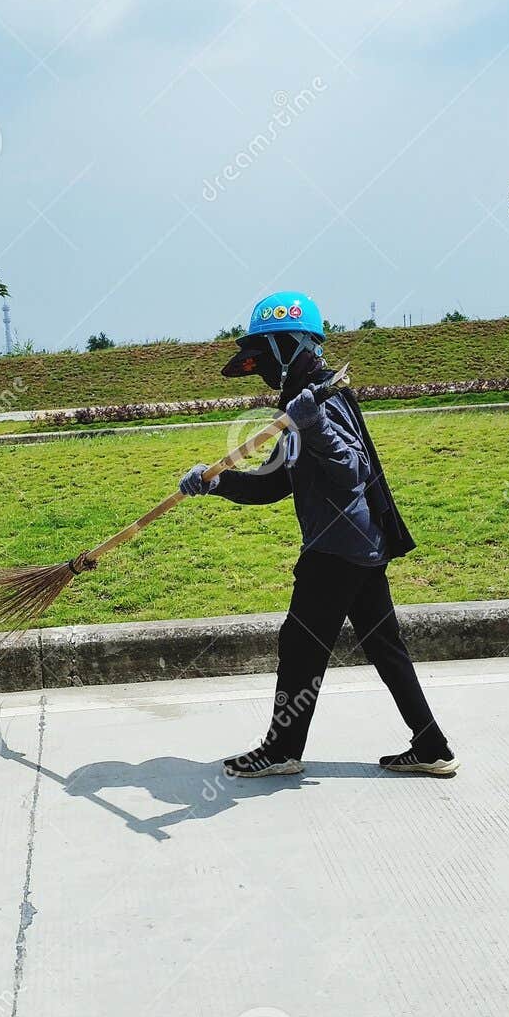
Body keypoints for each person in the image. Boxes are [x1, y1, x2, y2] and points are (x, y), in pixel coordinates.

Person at [179, 291, 458, 780]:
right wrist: (216, 482)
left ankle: (282, 748)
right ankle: (431, 744)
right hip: (358, 544)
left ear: (290, 345)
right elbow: (274, 483)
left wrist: (315, 424)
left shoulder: (322, 397)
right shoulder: (298, 403)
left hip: (337, 548)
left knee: (300, 645)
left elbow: (352, 469)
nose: (264, 369)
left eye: (268, 354)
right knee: (383, 644)